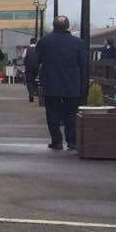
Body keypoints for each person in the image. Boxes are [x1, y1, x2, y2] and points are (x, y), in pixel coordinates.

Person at [35, 15, 86, 150]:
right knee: (71, 114)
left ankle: (56, 141)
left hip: (51, 83)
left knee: (52, 113)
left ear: (54, 25)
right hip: (72, 84)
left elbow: (37, 60)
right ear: (68, 26)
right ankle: (72, 141)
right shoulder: (78, 42)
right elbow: (83, 63)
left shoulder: (44, 42)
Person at [23, 37, 40, 103]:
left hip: (28, 67)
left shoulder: (27, 49)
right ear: (36, 42)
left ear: (30, 42)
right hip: (37, 67)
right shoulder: (39, 49)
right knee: (35, 80)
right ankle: (35, 91)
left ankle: (31, 94)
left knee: (29, 81)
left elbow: (23, 57)